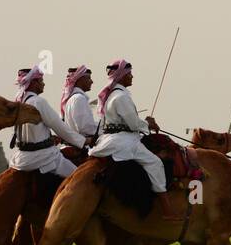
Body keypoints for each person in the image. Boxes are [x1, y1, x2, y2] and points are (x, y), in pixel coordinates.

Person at [88, 59, 167, 195]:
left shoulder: (112, 95)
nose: (132, 76)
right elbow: (134, 124)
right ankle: (166, 208)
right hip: (124, 142)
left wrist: (146, 123)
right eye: (130, 74)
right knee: (156, 163)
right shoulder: (121, 96)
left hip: (110, 139)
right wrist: (149, 124)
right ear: (123, 76)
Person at [9, 65, 85, 178]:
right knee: (79, 177)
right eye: (41, 81)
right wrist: (84, 141)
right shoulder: (38, 102)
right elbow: (60, 128)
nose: (43, 84)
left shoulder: (18, 103)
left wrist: (48, 138)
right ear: (34, 83)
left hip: (21, 158)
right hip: (43, 157)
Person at [60, 65, 97, 144]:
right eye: (89, 78)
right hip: (83, 145)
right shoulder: (79, 98)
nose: (92, 81)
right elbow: (86, 128)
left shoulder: (74, 98)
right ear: (81, 79)